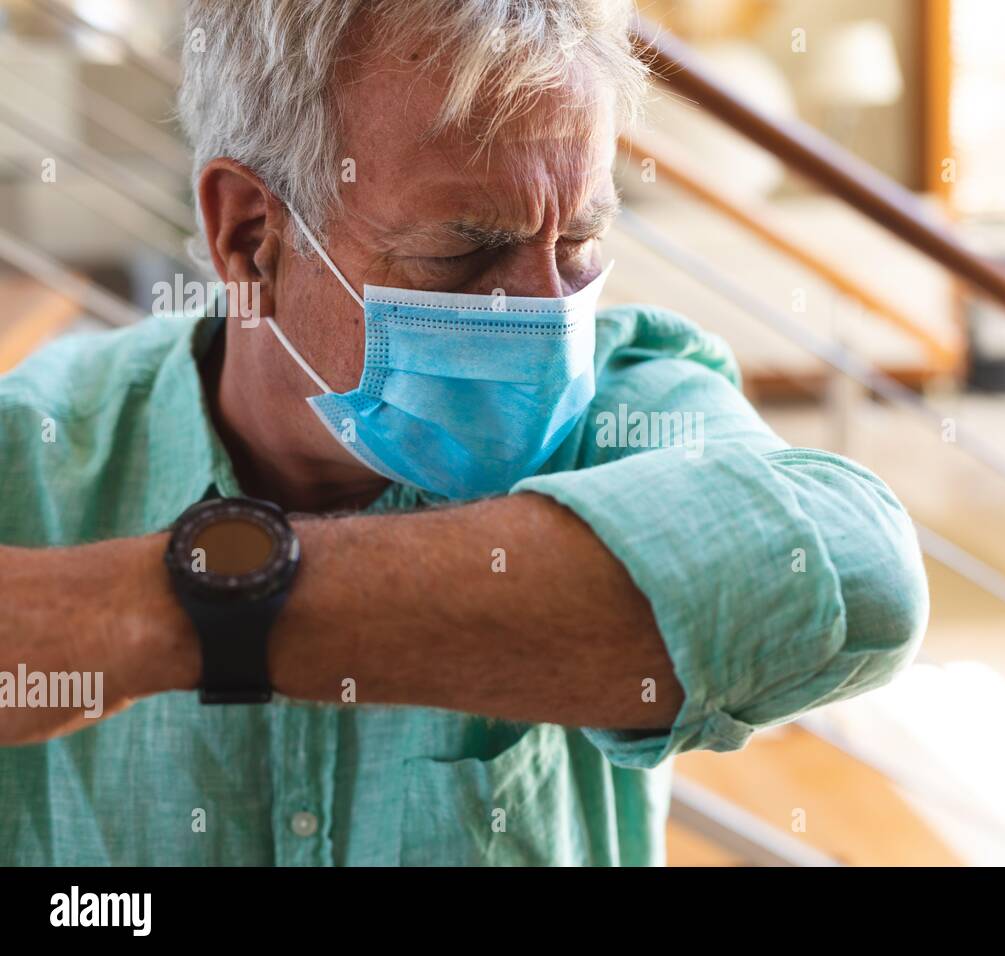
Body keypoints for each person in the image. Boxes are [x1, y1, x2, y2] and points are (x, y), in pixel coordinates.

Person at [0, 0, 928, 865]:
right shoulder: (30, 464)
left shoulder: (624, 407)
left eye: (578, 245)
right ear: (250, 238)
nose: (546, 313)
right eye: (465, 251)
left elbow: (860, 577)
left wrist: (166, 609)